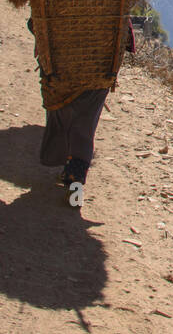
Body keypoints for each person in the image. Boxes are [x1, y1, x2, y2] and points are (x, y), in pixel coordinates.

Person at [34, 13, 135, 206]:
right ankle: (75, 188)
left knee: (60, 113)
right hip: (100, 67)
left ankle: (64, 164)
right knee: (85, 128)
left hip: (60, 64)